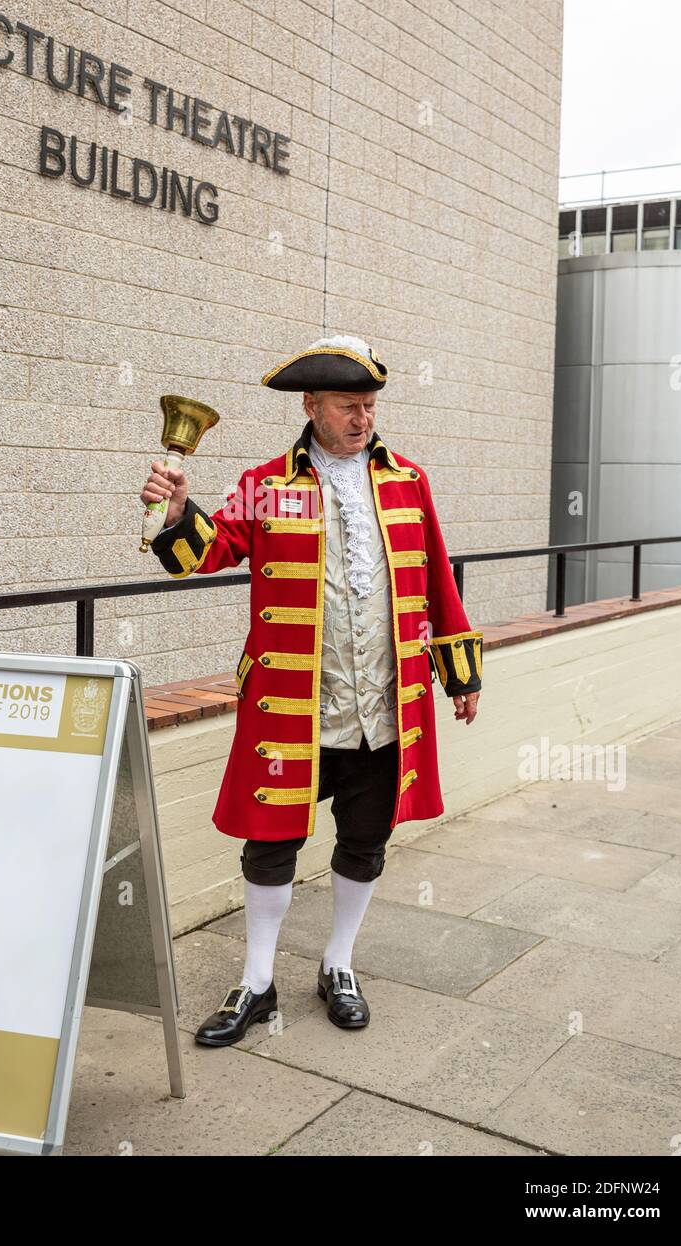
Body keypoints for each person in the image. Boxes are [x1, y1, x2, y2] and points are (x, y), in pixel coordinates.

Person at [139, 335, 482, 1044]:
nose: (363, 419)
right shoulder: (268, 483)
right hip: (291, 711)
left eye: (369, 405)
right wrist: (175, 511)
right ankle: (257, 982)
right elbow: (205, 552)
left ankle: (338, 963)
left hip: (382, 706)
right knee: (270, 843)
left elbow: (437, 581)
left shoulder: (407, 479)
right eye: (348, 406)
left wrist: (460, 673)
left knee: (365, 838)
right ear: (312, 406)